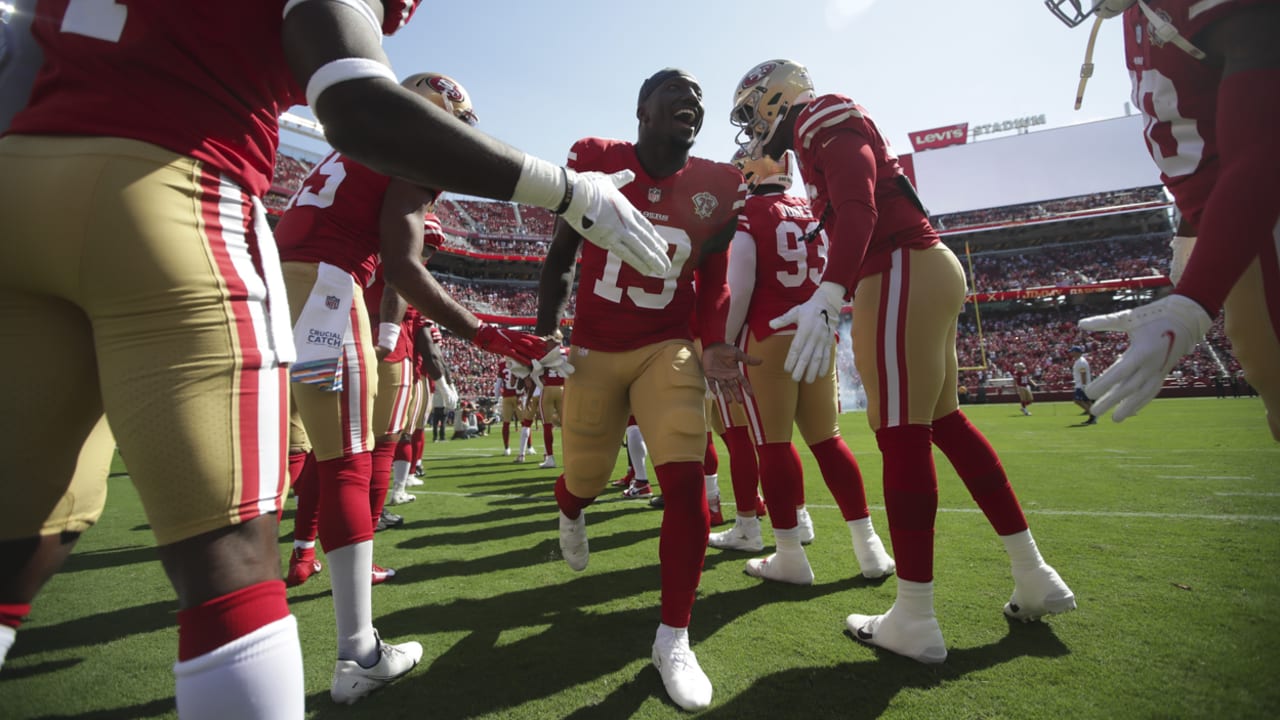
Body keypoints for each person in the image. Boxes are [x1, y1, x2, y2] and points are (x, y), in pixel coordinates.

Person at [0, 1, 672, 713]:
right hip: (195, 210)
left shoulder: (326, 162)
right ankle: (357, 652)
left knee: (21, 524)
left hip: (25, 185)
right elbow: (371, 142)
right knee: (254, 532)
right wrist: (568, 197)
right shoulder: (382, 134)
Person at [728, 59, 1074, 664]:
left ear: (774, 98)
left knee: (902, 436)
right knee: (945, 426)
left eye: (752, 110)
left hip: (897, 268)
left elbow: (860, 206)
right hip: (920, 265)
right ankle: (1033, 572)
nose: (751, 128)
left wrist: (832, 292)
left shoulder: (818, 116)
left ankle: (914, 614)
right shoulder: (814, 133)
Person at [536, 68, 752, 711]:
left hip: (668, 344)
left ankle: (673, 636)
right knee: (587, 475)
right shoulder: (597, 160)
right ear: (642, 110)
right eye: (675, 93)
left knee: (684, 478)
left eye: (698, 99)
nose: (691, 101)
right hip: (596, 346)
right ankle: (570, 509)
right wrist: (546, 338)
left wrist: (713, 339)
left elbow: (712, 279)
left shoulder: (719, 182)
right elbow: (561, 257)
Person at [1045, 1, 1279, 440]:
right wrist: (1187, 237)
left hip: (1259, 216)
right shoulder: (1138, 11)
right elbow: (1201, 138)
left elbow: (1264, 145)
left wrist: (1194, 301)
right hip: (1230, 223)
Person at [715, 148, 894, 584]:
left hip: (769, 335)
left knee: (773, 446)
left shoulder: (751, 213)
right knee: (828, 441)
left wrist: (723, 343)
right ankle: (869, 548)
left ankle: (791, 555)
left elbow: (739, 286)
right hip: (819, 333)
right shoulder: (811, 210)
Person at [538, 345, 569, 469]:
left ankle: (550, 457)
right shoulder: (568, 351)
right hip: (563, 389)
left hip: (548, 389)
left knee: (547, 425)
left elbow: (534, 369)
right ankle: (570, 458)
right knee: (566, 426)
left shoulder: (542, 349)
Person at [1070, 346, 1097, 424]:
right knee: (1087, 401)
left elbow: (1083, 373)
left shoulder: (1081, 362)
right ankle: (1093, 417)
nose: (1071, 353)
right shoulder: (1079, 361)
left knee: (1077, 400)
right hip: (1081, 383)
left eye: (1072, 351)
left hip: (1082, 385)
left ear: (1077, 352)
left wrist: (1084, 385)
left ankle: (1093, 415)